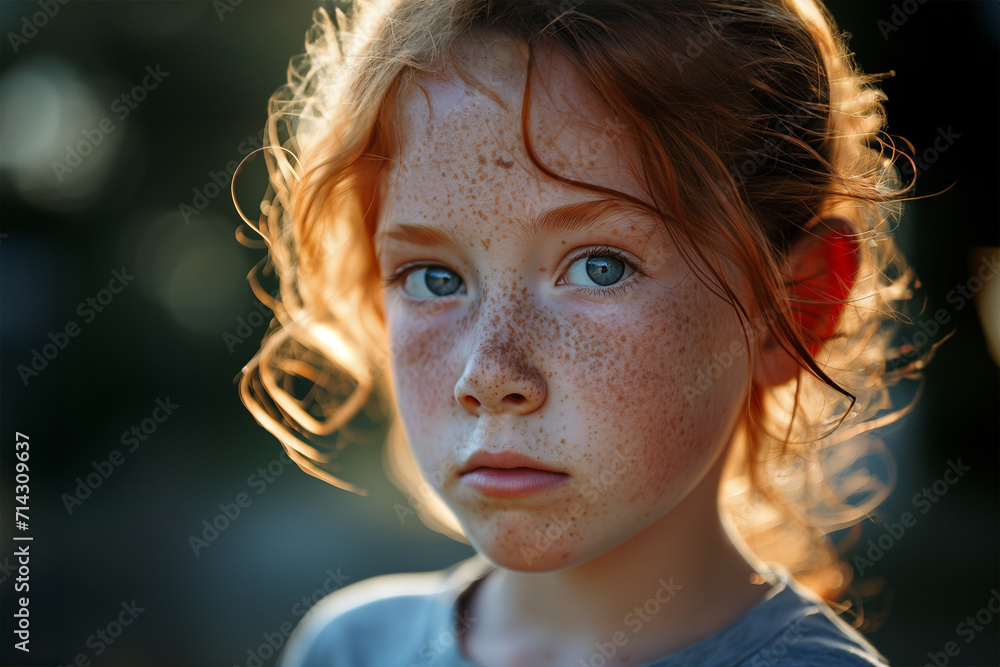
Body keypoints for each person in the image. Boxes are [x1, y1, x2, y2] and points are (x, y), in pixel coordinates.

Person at [234, 1, 925, 664]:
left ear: (793, 306)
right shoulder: (349, 649)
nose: (490, 375)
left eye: (599, 267)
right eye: (433, 278)